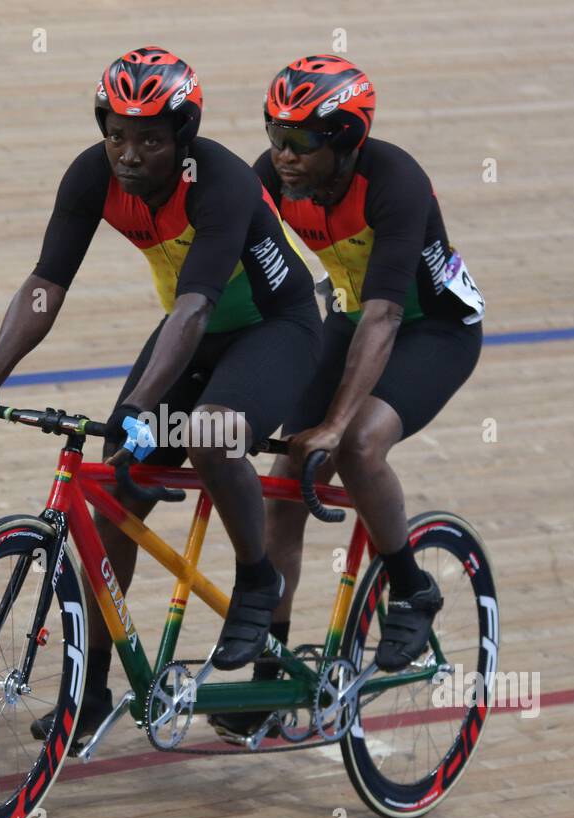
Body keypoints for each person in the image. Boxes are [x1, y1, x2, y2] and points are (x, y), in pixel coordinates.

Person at [0, 47, 321, 749]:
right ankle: (91, 692)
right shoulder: (93, 175)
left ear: (184, 136)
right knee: (113, 496)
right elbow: (47, 285)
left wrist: (142, 403)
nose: (128, 153)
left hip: (274, 329)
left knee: (209, 435)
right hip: (191, 333)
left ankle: (257, 581)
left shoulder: (222, 183)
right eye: (116, 134)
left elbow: (198, 305)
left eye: (149, 138)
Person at [209, 54, 485, 741]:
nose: (283, 155)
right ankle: (270, 684)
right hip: (351, 316)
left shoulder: (396, 183)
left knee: (358, 444)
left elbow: (389, 315)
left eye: (301, 141)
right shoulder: (270, 177)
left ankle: (411, 585)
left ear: (348, 140)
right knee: (284, 487)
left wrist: (333, 422)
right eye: (275, 134)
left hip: (435, 328)